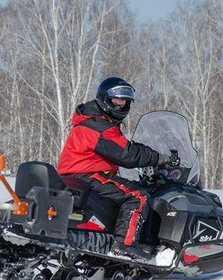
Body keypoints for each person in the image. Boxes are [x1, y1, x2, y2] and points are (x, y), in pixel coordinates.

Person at [57, 77, 177, 259]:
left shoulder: (95, 121)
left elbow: (124, 147)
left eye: (125, 100)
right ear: (105, 98)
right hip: (87, 174)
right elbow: (127, 154)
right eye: (117, 99)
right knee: (138, 197)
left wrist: (148, 154)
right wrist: (161, 158)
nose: (121, 104)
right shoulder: (98, 125)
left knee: (127, 192)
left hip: (78, 174)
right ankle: (124, 245)